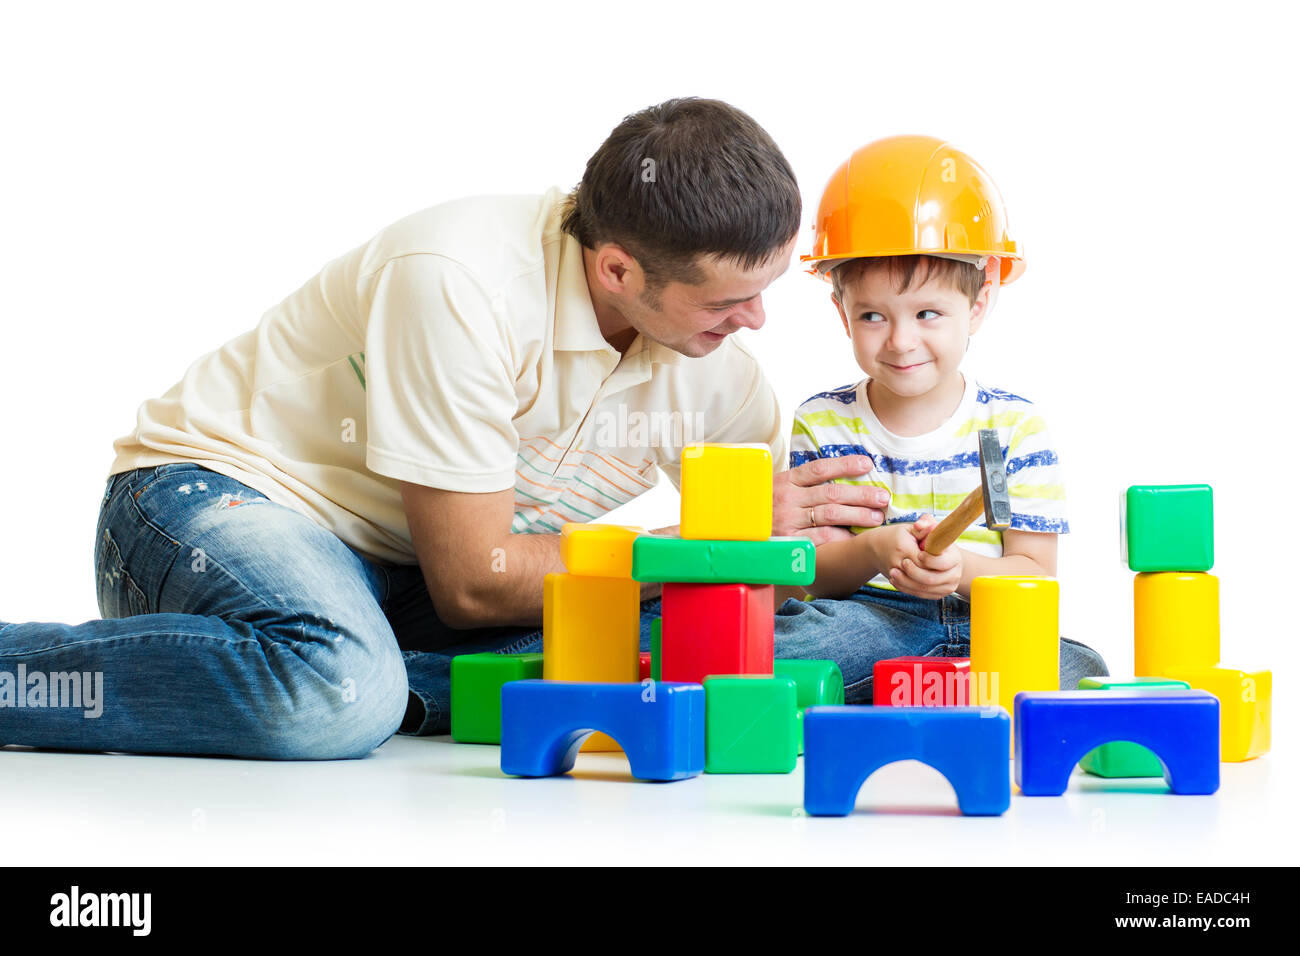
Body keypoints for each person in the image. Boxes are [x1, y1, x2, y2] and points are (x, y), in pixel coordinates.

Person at [0, 98, 890, 758]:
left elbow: (766, 581)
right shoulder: (460, 280)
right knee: (338, 693)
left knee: (701, 667)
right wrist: (697, 542)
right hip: (215, 503)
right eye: (732, 298)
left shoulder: (717, 368)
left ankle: (363, 678)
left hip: (400, 581)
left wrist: (892, 550)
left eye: (769, 288)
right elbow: (475, 582)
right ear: (619, 269)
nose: (759, 322)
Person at [769, 135, 1109, 702]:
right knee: (775, 646)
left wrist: (961, 569)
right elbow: (809, 576)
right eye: (873, 315)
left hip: (987, 623)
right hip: (870, 620)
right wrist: (874, 550)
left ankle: (903, 693)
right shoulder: (822, 420)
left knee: (1082, 666)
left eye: (928, 313)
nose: (902, 341)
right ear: (841, 312)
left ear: (976, 306)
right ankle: (941, 694)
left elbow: (1035, 575)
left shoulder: (1015, 427)